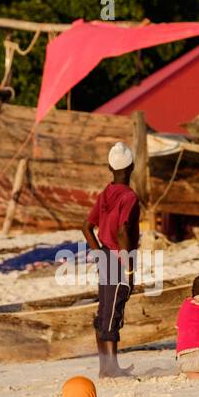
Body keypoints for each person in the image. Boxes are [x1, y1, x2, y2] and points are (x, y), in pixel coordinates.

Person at [82, 141, 141, 378]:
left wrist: (98, 253)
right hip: (118, 257)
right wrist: (128, 268)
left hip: (105, 254)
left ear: (110, 166)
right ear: (132, 167)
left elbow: (87, 227)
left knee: (105, 308)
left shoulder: (105, 193)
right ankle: (112, 368)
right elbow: (123, 231)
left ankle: (105, 367)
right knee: (114, 310)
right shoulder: (129, 196)